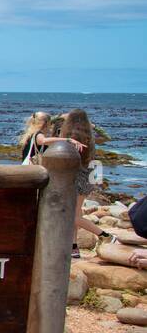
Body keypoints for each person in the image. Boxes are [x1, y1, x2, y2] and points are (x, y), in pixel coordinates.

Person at [58, 108, 108, 259]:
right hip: (89, 175)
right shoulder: (89, 135)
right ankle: (74, 247)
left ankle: (105, 235)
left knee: (73, 215)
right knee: (77, 212)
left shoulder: (70, 135)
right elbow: (106, 137)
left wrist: (61, 117)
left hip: (75, 177)